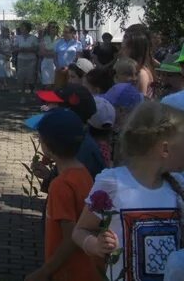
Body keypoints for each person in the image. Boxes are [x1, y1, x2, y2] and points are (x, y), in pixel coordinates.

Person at [72, 102, 184, 281]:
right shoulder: (112, 183)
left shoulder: (178, 185)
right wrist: (96, 245)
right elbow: (80, 230)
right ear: (165, 149)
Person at [25, 108, 99, 281]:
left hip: (69, 272)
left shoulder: (61, 185)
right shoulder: (83, 173)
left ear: (48, 148)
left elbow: (71, 237)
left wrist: (44, 272)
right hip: (88, 268)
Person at [121, 23, 156, 98]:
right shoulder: (134, 70)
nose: (122, 43)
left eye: (125, 48)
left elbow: (138, 103)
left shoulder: (141, 74)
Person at [15, 21, 38, 103]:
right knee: (21, 78)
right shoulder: (18, 38)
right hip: (21, 59)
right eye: (21, 27)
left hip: (31, 60)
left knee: (31, 78)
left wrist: (29, 49)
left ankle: (32, 92)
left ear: (28, 29)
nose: (21, 29)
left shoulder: (34, 38)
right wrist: (19, 49)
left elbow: (36, 49)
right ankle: (22, 96)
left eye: (23, 27)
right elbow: (15, 48)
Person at [39, 22, 59, 88]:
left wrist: (48, 51)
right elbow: (42, 53)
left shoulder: (60, 40)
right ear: (49, 28)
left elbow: (60, 53)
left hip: (56, 63)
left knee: (56, 84)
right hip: (46, 62)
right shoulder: (44, 39)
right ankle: (47, 97)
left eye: (56, 27)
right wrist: (54, 52)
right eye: (53, 27)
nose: (54, 28)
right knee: (48, 85)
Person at [0, 26, 13, 91]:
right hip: (1, 56)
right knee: (1, 70)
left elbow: (11, 47)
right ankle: (3, 84)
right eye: (6, 32)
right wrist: (6, 54)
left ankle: (5, 83)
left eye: (8, 32)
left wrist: (9, 55)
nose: (8, 33)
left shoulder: (9, 39)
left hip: (7, 56)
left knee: (7, 71)